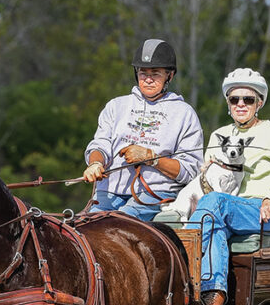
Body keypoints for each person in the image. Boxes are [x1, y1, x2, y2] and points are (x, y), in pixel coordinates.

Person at [186, 68, 270, 305]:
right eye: (234, 99)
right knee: (211, 221)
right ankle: (213, 297)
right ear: (228, 104)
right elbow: (208, 185)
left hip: (265, 212)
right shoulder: (218, 136)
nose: (240, 104)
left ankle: (182, 263)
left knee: (214, 205)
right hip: (222, 209)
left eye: (248, 99)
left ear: (259, 103)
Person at [82, 38, 203, 220]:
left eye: (155, 73)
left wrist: (151, 158)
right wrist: (95, 163)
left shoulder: (184, 113)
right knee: (83, 227)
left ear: (169, 76)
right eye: (142, 72)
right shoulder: (116, 106)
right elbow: (101, 144)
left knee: (118, 223)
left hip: (156, 193)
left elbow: (190, 170)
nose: (147, 79)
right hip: (109, 191)